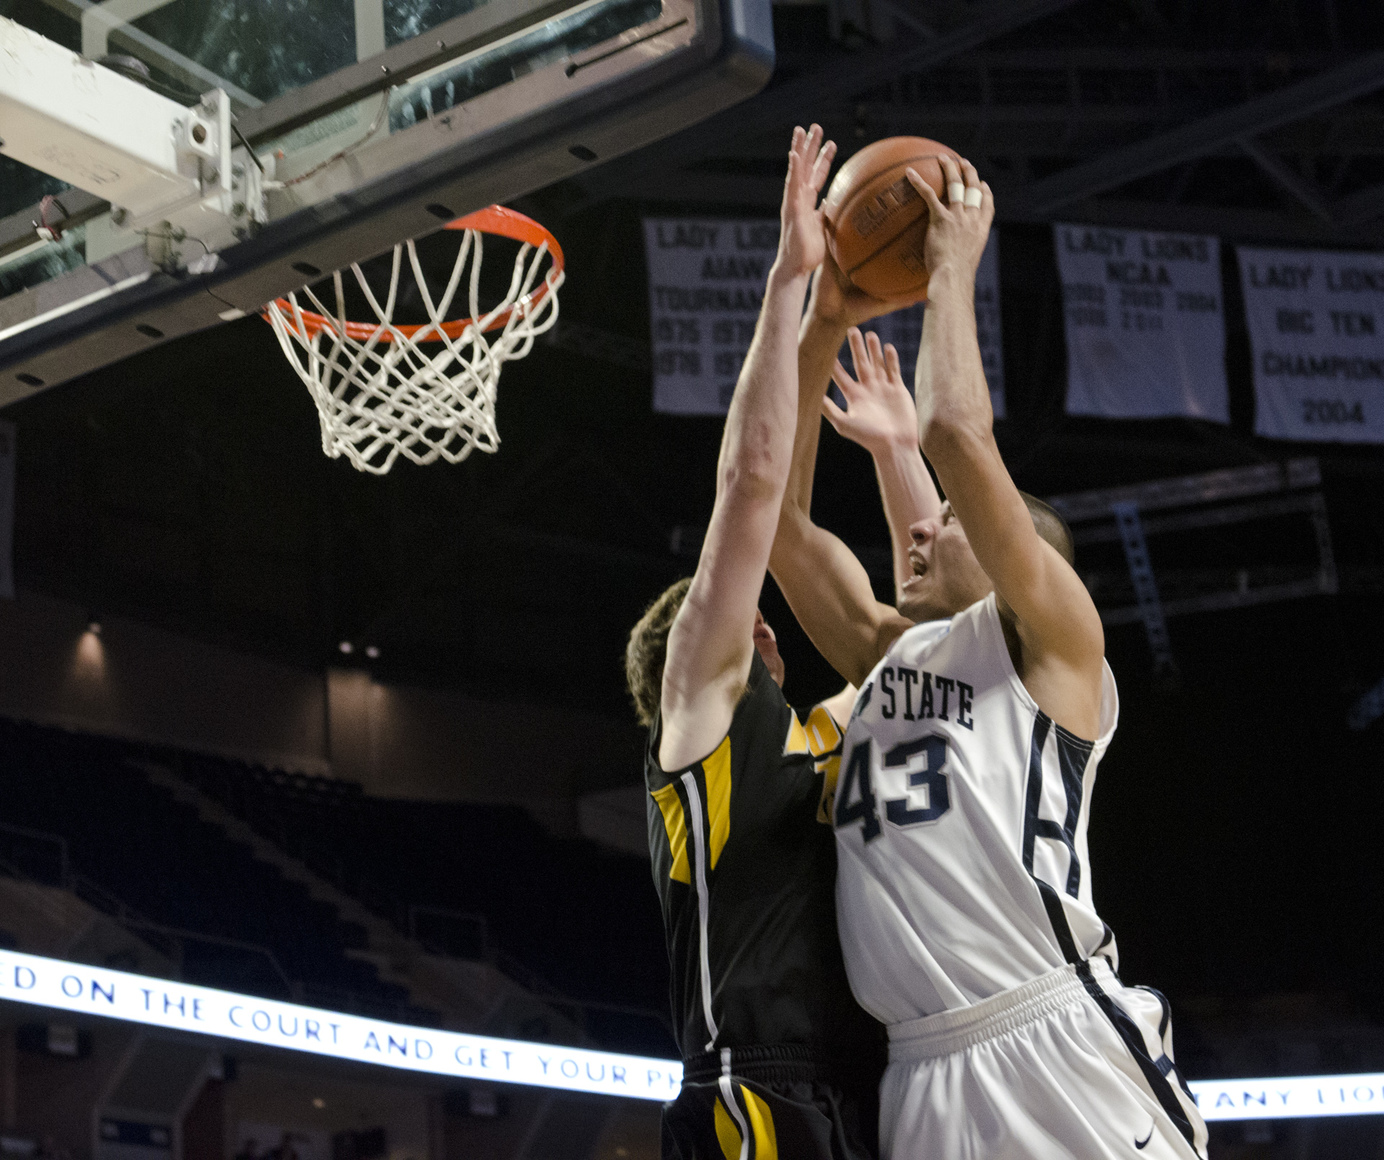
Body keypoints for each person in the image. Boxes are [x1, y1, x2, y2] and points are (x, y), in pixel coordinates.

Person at [769, 155, 1209, 1160]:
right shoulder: (887, 655)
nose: (924, 528)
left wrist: (950, 268)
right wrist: (823, 319)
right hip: (919, 1071)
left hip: (1053, 1036)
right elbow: (779, 524)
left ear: (1020, 556)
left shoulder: (1054, 646)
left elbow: (956, 432)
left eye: (955, 521)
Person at [625, 125, 895, 1160]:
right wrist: (787, 285)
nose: (760, 616)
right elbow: (750, 491)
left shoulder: (816, 734)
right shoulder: (698, 729)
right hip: (753, 1089)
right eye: (734, 613)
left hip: (859, 1085)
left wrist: (831, 322)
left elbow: (899, 639)